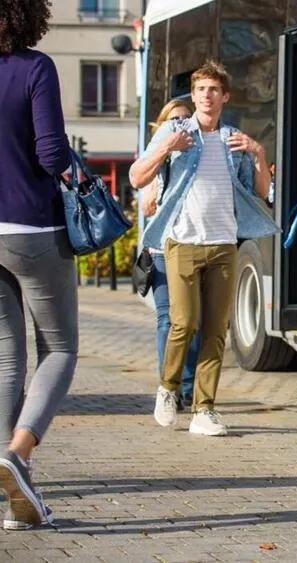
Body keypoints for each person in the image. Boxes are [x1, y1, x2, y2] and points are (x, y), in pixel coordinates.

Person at [129, 60, 276, 436]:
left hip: (223, 245)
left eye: (213, 90)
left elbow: (259, 193)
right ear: (193, 96)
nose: (206, 96)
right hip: (182, 243)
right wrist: (167, 149)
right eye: (200, 90)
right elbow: (136, 176)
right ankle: (168, 388)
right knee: (183, 322)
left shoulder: (233, 140)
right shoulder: (175, 131)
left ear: (224, 96)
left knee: (215, 331)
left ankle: (204, 409)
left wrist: (258, 154)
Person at [0, 0, 75, 529]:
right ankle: (19, 454)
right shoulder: (34, 67)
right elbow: (51, 155)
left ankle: (11, 496)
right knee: (60, 348)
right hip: (31, 228)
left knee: (6, 358)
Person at [138, 99, 202, 412]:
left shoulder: (200, 155)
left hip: (193, 244)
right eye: (174, 119)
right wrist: (166, 151)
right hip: (162, 246)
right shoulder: (157, 155)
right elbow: (146, 204)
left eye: (186, 119)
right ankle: (169, 389)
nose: (181, 124)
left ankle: (188, 388)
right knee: (167, 318)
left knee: (192, 321)